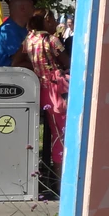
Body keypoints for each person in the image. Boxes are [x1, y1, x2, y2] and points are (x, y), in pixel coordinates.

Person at [24, 10, 69, 174]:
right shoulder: (52, 40)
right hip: (59, 89)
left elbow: (21, 60)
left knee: (56, 132)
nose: (56, 23)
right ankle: (61, 178)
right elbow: (68, 61)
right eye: (54, 19)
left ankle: (57, 178)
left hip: (42, 89)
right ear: (48, 19)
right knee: (65, 133)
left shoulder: (29, 40)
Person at [0, 0, 34, 68]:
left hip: (16, 75)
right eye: (32, 6)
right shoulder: (8, 30)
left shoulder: (24, 29)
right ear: (23, 8)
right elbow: (18, 61)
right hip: (2, 77)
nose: (34, 9)